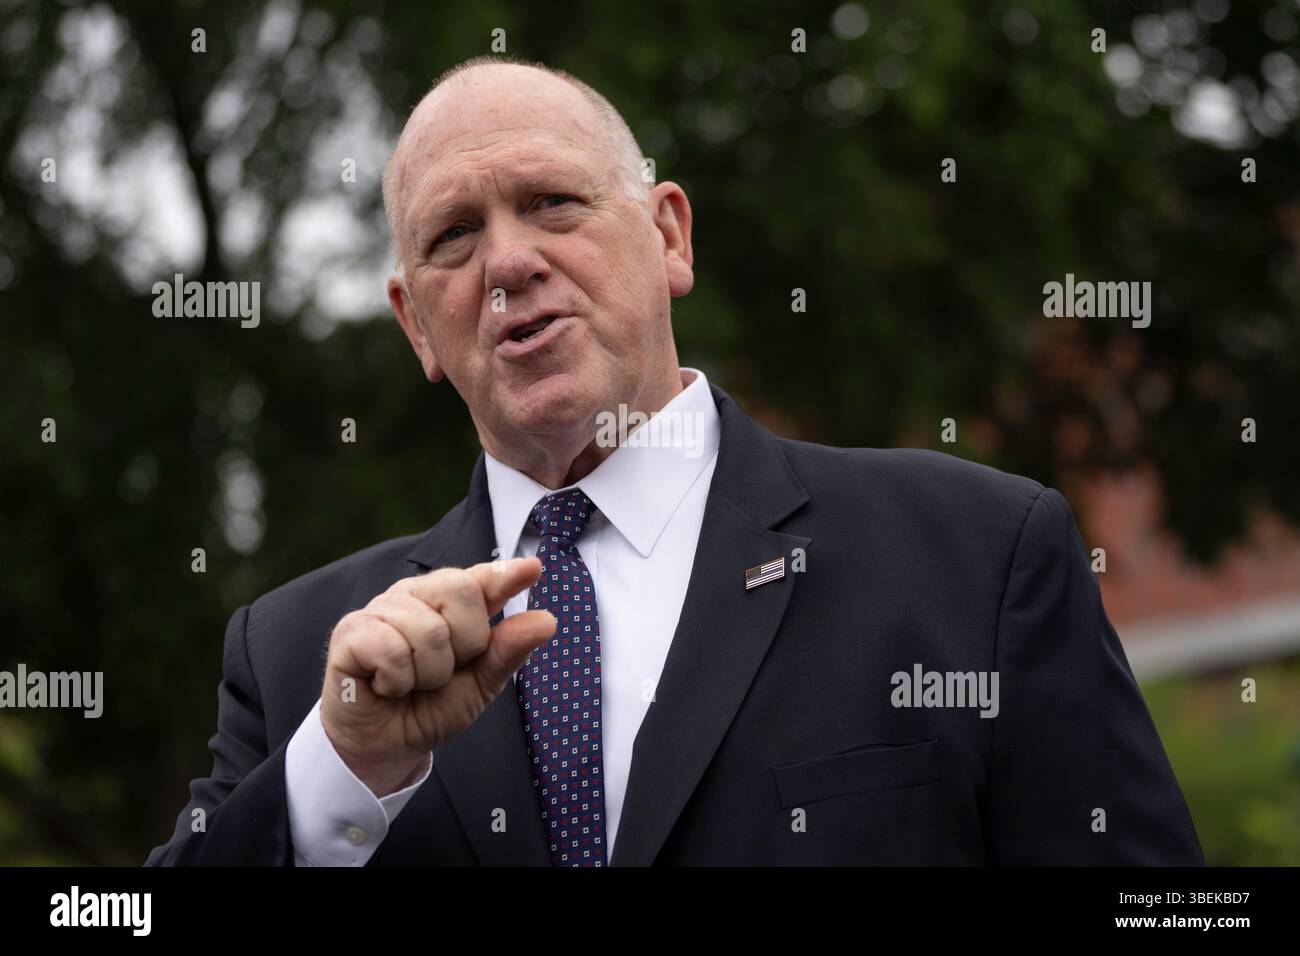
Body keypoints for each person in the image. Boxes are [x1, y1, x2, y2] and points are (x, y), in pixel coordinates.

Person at [147, 56, 1203, 866]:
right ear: (416, 324)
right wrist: (344, 768)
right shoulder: (302, 662)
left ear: (669, 237)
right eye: (453, 237)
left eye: (552, 202)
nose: (509, 261)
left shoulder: (975, 556)